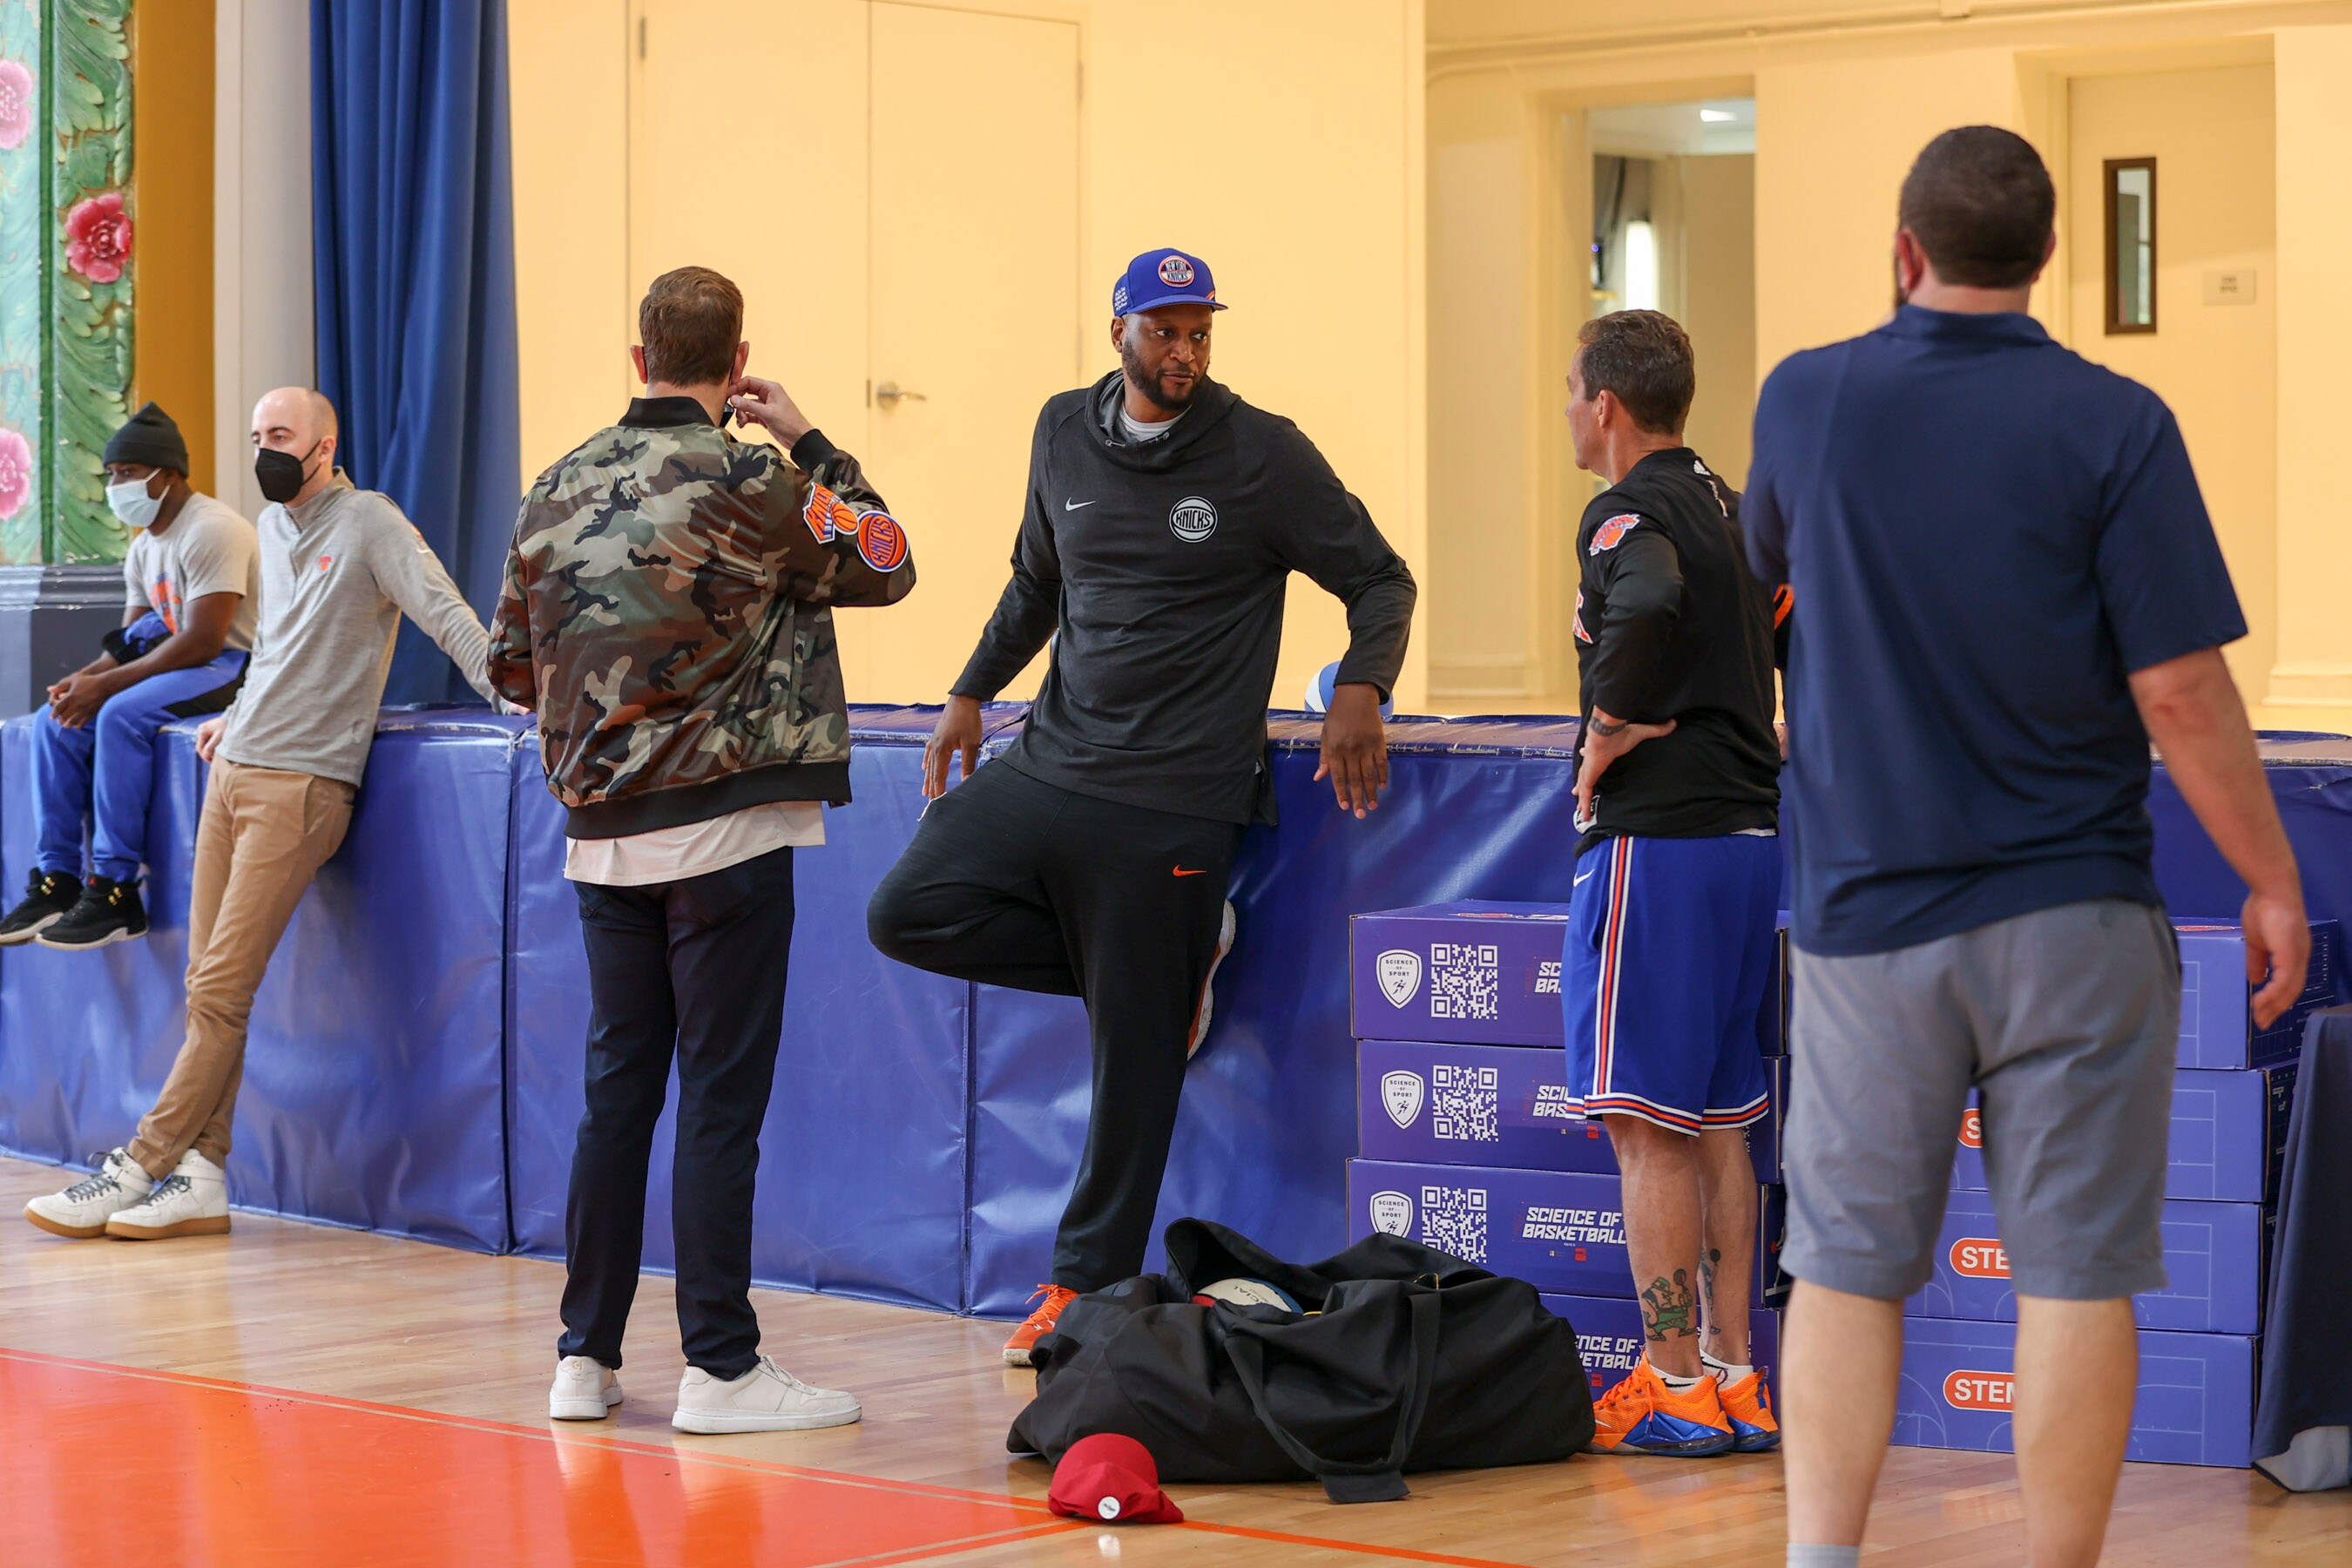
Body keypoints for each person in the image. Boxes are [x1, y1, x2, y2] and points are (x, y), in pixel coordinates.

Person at [1746, 127, 2307, 1568]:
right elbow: (2181, 693)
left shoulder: (1808, 400)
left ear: (1903, 249)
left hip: (1867, 921)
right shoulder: (2118, 422)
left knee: (1847, 1272)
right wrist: (2270, 876)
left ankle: (1822, 1560)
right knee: (2072, 1277)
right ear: (2049, 259)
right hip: (2075, 912)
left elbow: (1762, 598)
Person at [866, 247, 1416, 1366]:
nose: (1186, 352)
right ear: (1119, 330)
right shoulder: (1063, 429)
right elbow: (1035, 581)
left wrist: (1362, 685)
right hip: (1052, 760)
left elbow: (1380, 577)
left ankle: (1083, 1283)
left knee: (1136, 1049)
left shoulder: (1261, 452)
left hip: (1175, 794)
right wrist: (971, 692)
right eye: (1165, 332)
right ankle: (1170, 965)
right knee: (907, 908)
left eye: (1201, 332)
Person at [490, 266, 916, 1436]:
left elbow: (510, 668)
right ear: (737, 369)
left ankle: (584, 1357)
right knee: (720, 1103)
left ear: (638, 361)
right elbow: (885, 558)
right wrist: (813, 438)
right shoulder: (757, 477)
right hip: (728, 832)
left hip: (600, 839)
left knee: (615, 1097)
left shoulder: (553, 483)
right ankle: (721, 1367)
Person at [22, 386, 507, 1244]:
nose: (263, 449)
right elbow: (276, 646)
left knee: (218, 989)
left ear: (325, 443)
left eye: (279, 435)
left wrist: (514, 697)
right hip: (235, 772)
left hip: (303, 786)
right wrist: (234, 717)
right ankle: (204, 1175)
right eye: (254, 436)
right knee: (208, 992)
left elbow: (447, 615)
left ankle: (139, 1164)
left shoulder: (371, 524)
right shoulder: (275, 530)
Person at [1558, 309, 1787, 1458]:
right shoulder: (1737, 505)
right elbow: (1801, 627)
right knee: (1720, 1128)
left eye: (1568, 391)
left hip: (1662, 845)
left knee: (1647, 1128)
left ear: (1605, 404)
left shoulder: (1628, 506)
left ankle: (1671, 1376)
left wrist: (1612, 725)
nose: (1566, 411)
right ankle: (1737, 1375)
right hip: (1753, 845)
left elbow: (1640, 602)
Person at [0, 403, 257, 950]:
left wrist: (105, 688)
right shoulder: (144, 547)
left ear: (167, 475)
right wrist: (82, 681)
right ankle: (58, 878)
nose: (117, 486)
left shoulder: (212, 529)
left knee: (119, 713)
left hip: (236, 665)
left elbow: (204, 639)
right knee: (56, 720)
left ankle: (117, 890)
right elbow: (132, 640)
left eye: (129, 475)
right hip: (185, 661)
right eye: (112, 475)